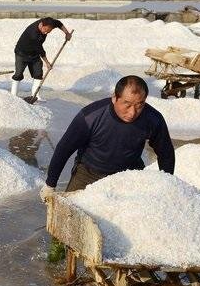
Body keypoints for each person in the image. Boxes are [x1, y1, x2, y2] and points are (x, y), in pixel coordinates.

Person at [40, 75, 174, 201]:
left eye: (139, 105)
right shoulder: (91, 116)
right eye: (127, 104)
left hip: (129, 174)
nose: (132, 112)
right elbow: (64, 148)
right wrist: (50, 184)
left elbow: (166, 153)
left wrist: (166, 185)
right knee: (71, 211)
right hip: (89, 173)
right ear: (115, 98)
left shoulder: (153, 119)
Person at [11, 16, 72, 100]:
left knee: (38, 73)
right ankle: (13, 96)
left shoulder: (49, 23)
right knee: (18, 74)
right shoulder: (33, 33)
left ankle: (35, 96)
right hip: (22, 53)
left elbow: (58, 23)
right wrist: (47, 63)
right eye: (45, 30)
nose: (46, 33)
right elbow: (40, 50)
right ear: (41, 25)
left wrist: (67, 33)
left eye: (48, 31)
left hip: (34, 54)